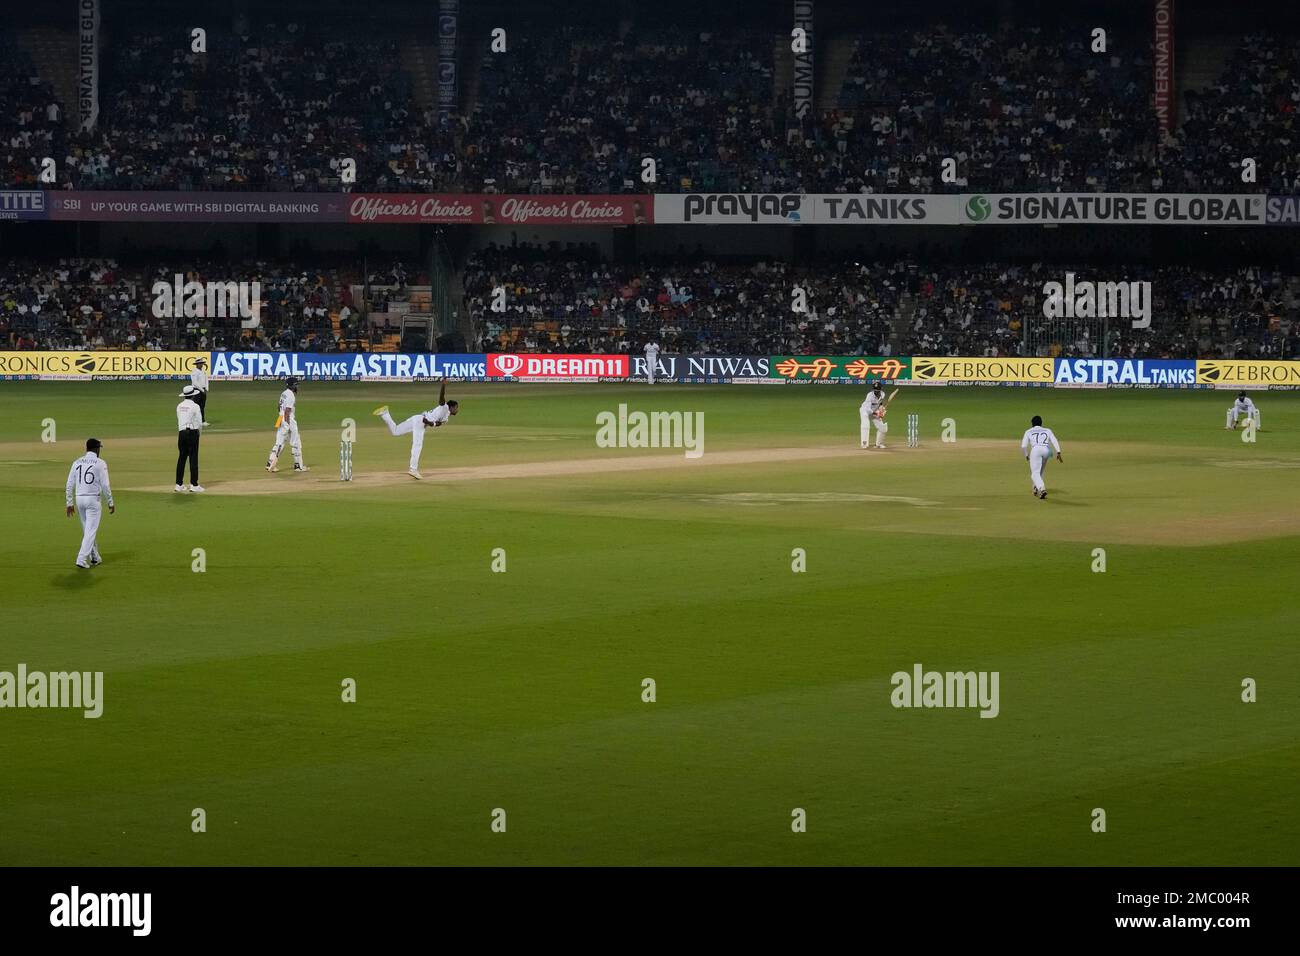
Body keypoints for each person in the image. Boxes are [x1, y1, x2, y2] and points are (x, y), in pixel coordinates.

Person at [372, 377, 459, 479]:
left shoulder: (446, 417)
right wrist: (443, 385)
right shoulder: (445, 407)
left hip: (418, 419)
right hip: (420, 421)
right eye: (456, 407)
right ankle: (413, 469)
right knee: (417, 445)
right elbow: (441, 399)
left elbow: (437, 424)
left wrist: (429, 423)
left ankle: (385, 414)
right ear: (451, 407)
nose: (457, 410)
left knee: (395, 431)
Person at [65, 438, 115, 569]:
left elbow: (69, 484)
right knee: (90, 531)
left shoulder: (77, 462)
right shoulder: (100, 463)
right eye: (99, 448)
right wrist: (110, 502)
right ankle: (81, 559)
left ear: (87, 448)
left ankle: (95, 557)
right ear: (96, 449)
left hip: (79, 499)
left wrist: (69, 503)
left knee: (87, 530)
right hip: (93, 500)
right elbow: (105, 485)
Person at [266, 377, 307, 473]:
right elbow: (287, 411)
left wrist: (281, 420)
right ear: (292, 386)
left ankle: (270, 463)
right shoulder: (291, 395)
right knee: (296, 442)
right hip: (288, 420)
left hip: (280, 418)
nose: (297, 387)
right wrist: (287, 425)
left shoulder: (283, 393)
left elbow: (278, 407)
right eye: (296, 385)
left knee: (279, 442)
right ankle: (298, 466)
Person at [1020, 415, 1063, 500]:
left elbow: (1023, 446)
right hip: (1047, 450)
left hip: (1036, 450)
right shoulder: (1048, 430)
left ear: (1032, 424)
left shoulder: (1028, 431)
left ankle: (1041, 488)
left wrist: (1026, 455)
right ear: (1041, 423)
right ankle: (1035, 488)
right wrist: (1058, 452)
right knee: (1040, 471)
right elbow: (1054, 440)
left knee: (1034, 474)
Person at [176, 384, 204, 492]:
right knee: (193, 458)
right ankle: (194, 485)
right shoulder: (195, 406)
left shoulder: (179, 406)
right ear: (193, 395)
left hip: (181, 433)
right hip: (192, 432)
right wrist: (199, 433)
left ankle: (179, 485)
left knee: (181, 458)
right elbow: (199, 422)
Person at [860, 381, 888, 449]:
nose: (876, 392)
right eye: (875, 390)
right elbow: (868, 409)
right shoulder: (869, 395)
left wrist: (881, 410)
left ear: (880, 390)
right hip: (865, 411)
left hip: (874, 411)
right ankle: (864, 443)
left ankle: (878, 444)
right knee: (866, 425)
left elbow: (880, 403)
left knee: (883, 428)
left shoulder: (883, 394)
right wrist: (877, 413)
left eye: (877, 391)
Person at [190, 357, 211, 425]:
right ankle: (194, 421)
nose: (201, 364)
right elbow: (195, 382)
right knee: (196, 406)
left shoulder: (203, 371)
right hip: (197, 391)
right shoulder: (194, 372)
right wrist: (202, 389)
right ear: (196, 364)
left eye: (202, 363)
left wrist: (206, 388)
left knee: (202, 406)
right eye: (199, 363)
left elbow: (206, 380)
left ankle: (202, 421)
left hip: (203, 390)